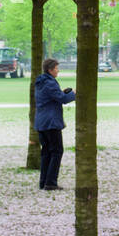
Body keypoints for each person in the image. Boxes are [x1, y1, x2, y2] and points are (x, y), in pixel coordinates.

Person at [34, 57, 75, 191]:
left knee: (46, 152)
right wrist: (74, 94)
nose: (58, 71)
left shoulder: (40, 82)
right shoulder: (50, 83)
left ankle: (43, 181)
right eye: (57, 68)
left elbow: (52, 97)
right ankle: (51, 182)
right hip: (51, 122)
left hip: (41, 122)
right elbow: (62, 99)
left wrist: (61, 92)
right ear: (50, 70)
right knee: (57, 151)